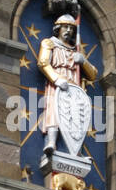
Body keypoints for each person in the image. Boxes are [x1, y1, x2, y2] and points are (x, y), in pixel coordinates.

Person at [37, 14, 98, 163]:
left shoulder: (75, 50)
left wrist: (83, 61)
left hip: (74, 88)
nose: (69, 31)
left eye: (71, 28)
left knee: (76, 117)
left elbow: (93, 75)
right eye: (66, 27)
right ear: (58, 28)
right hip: (57, 85)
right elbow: (43, 62)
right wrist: (56, 79)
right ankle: (51, 142)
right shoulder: (49, 43)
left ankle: (76, 151)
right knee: (54, 112)